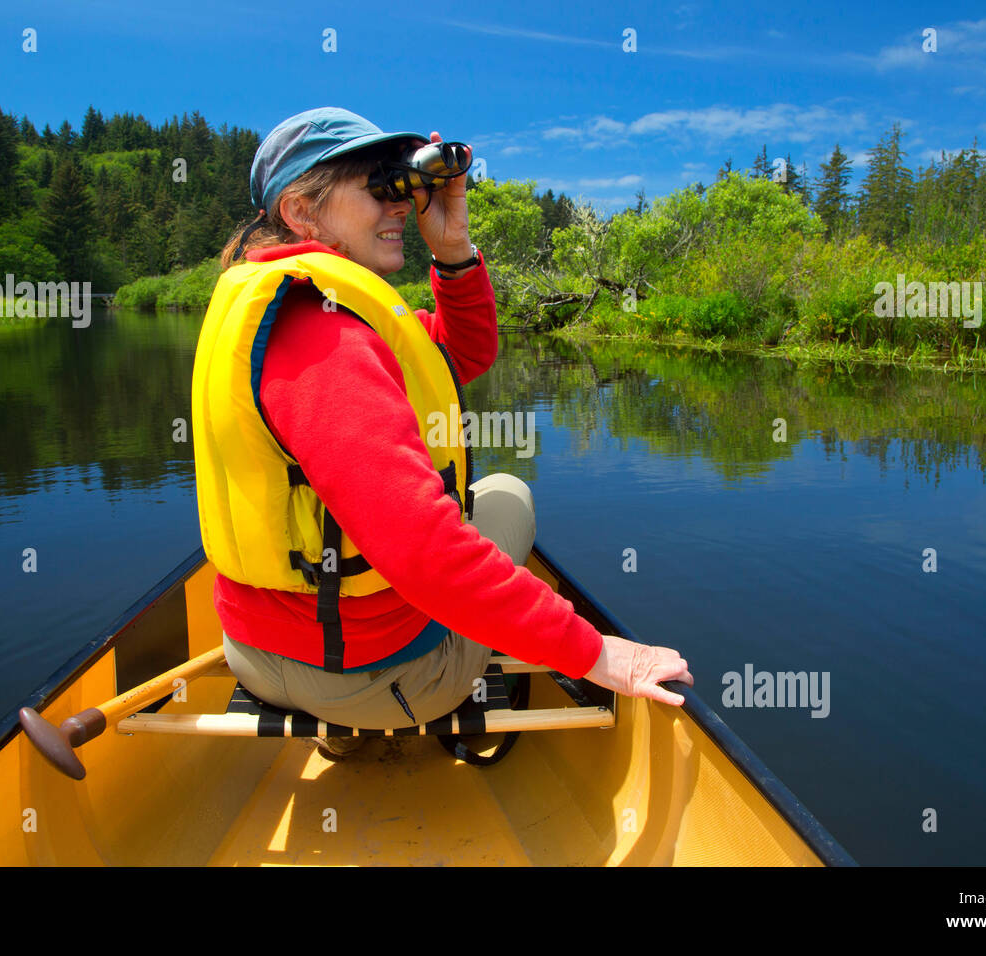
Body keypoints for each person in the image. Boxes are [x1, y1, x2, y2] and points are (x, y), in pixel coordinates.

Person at [192, 107, 692, 757]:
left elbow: (463, 353)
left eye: (402, 183)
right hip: (377, 677)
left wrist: (452, 247)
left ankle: (346, 734)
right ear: (300, 211)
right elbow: (423, 551)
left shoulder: (281, 308)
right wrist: (599, 655)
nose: (400, 203)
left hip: (255, 654)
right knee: (508, 496)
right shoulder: (328, 342)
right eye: (377, 187)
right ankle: (372, 718)